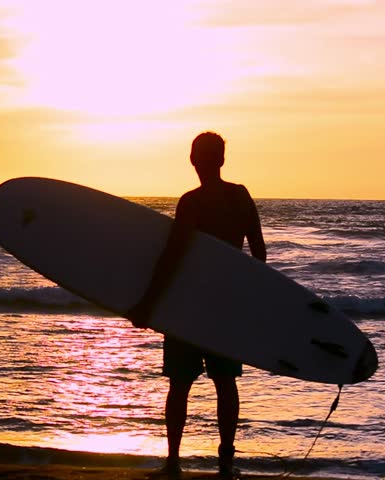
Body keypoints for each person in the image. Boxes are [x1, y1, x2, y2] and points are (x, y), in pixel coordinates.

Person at [127, 132, 266, 478]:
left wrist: (147, 303)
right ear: (221, 159)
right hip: (226, 306)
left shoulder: (191, 202)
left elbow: (172, 257)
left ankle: (173, 463)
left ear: (193, 160)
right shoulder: (240, 196)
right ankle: (226, 464)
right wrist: (250, 297)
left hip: (186, 305)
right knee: (225, 382)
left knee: (180, 384)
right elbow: (259, 254)